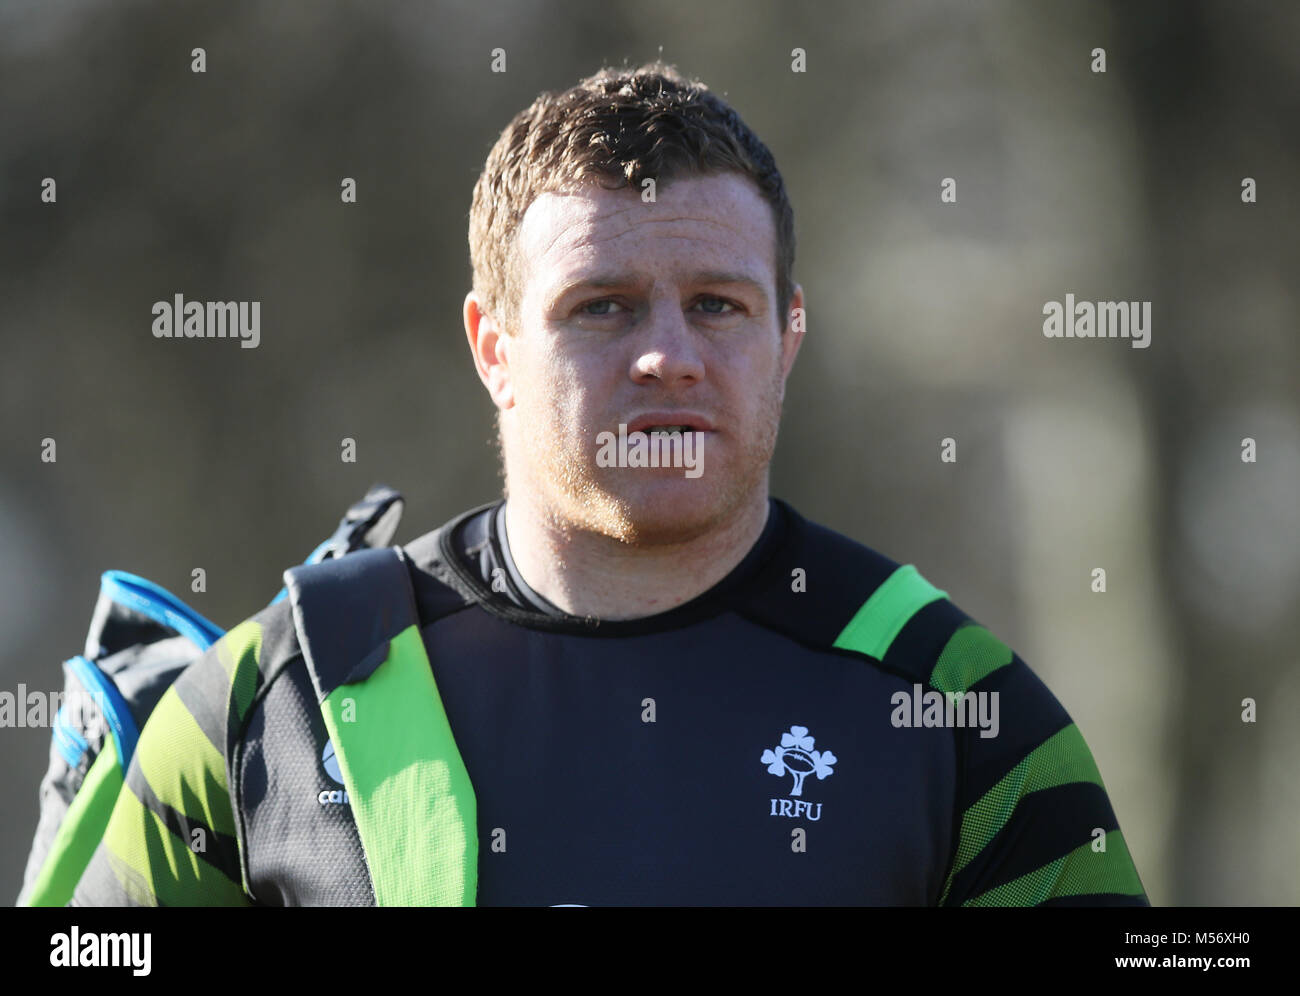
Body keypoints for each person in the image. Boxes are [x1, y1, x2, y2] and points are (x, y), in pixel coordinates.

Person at [69, 62, 1148, 906]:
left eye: (718, 304)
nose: (666, 356)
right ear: (492, 347)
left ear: (787, 337)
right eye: (602, 306)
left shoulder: (957, 703)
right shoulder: (275, 696)